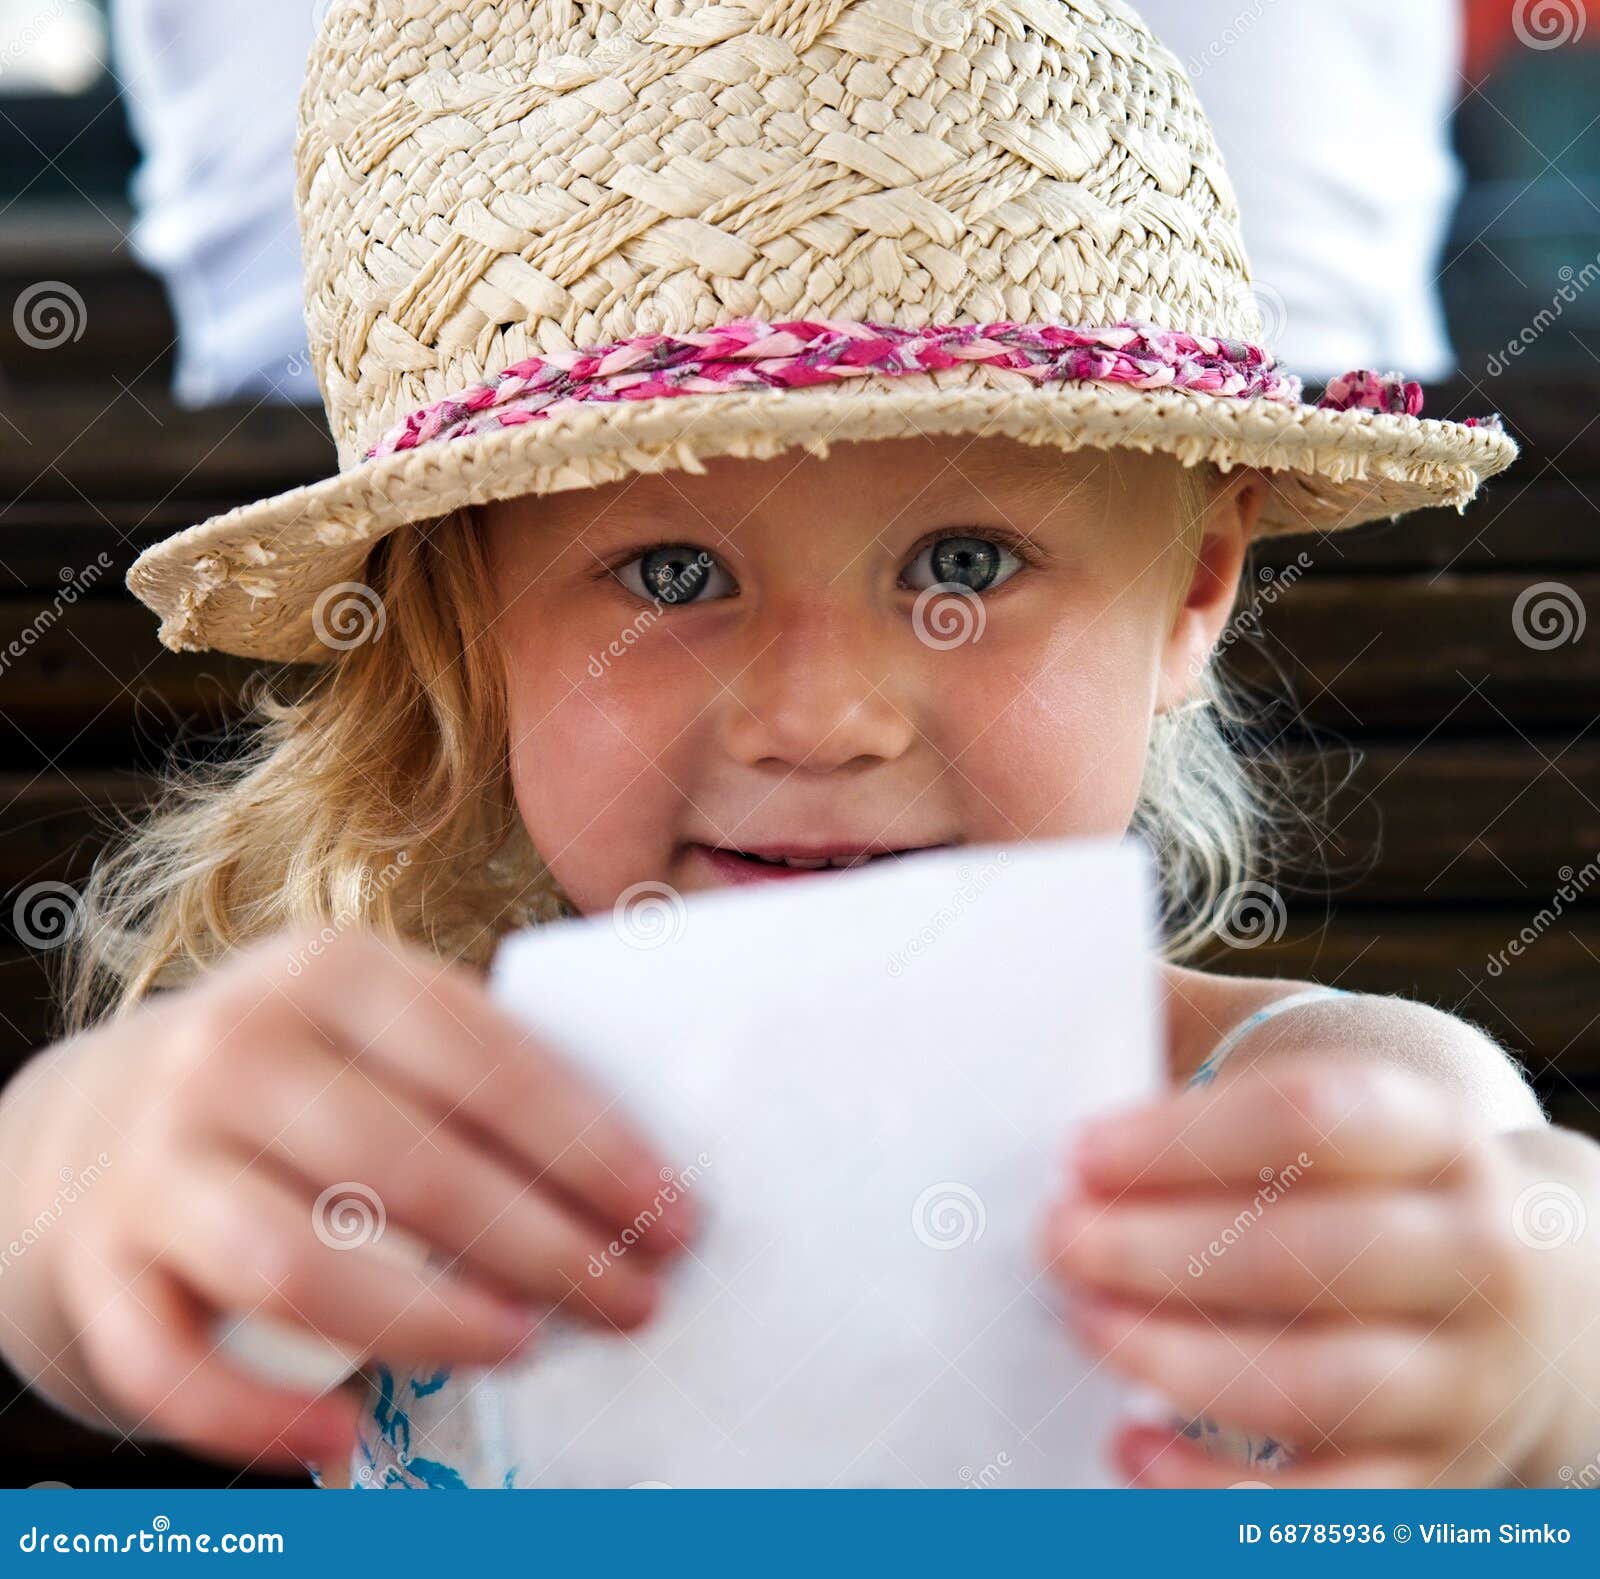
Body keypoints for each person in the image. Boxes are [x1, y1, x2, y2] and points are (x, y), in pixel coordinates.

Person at [4, 0, 1595, 1490]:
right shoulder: (411, 1137)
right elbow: (57, 1253)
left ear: (1191, 584)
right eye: (673, 575)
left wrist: (1531, 1344)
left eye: (963, 566)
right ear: (472, 631)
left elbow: (1524, 1217)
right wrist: (97, 1149)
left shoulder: (1285, 1109)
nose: (822, 718)